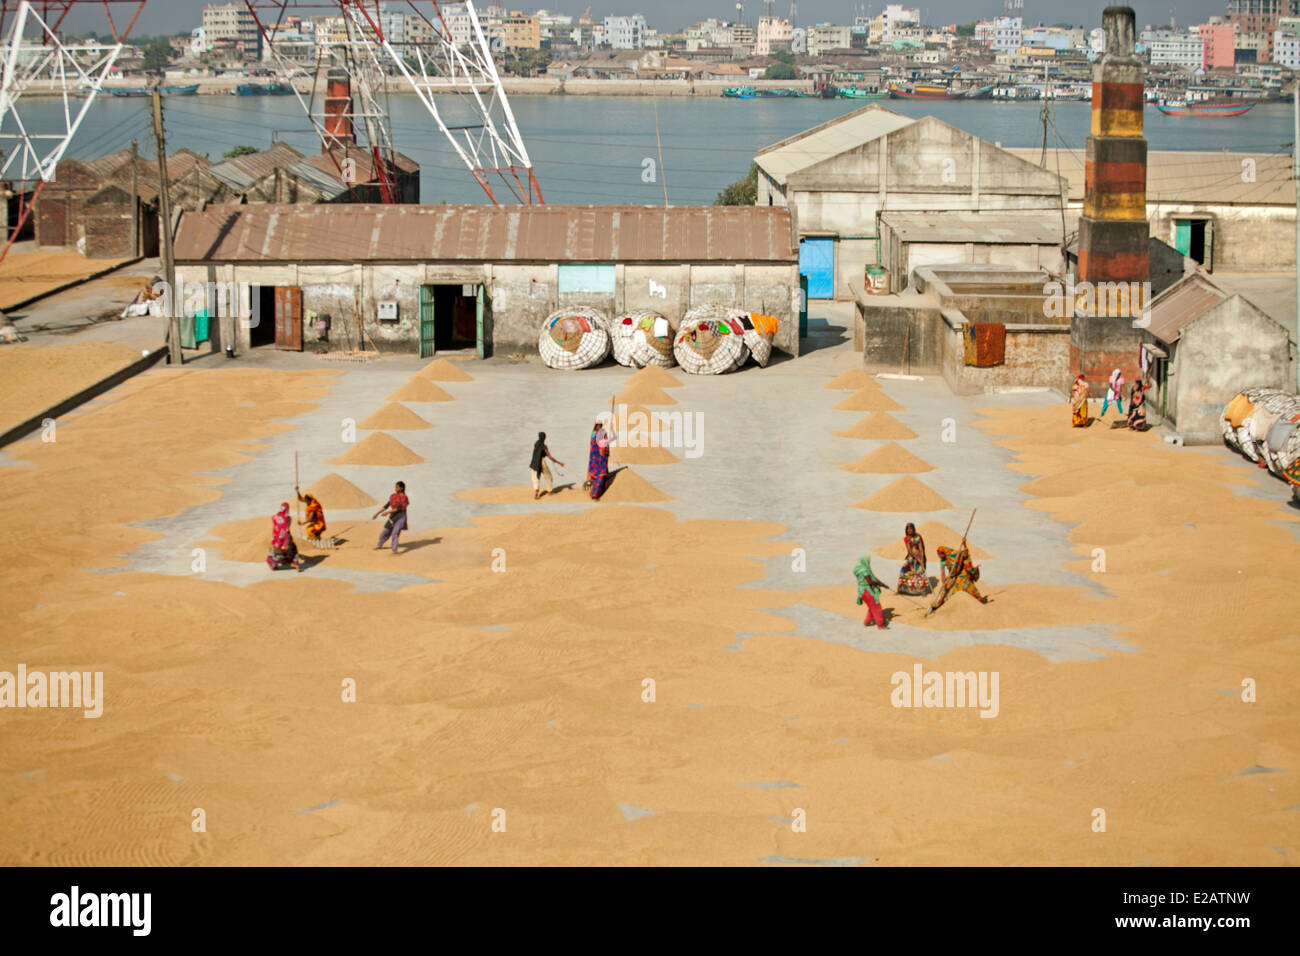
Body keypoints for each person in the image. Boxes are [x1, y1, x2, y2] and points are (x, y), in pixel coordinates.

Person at [929, 542, 989, 612]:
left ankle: (980, 600)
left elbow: (965, 554)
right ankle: (939, 604)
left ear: (943, 553)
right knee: (945, 590)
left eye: (939, 555)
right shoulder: (943, 560)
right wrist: (943, 582)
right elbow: (942, 573)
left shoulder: (954, 554)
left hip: (962, 573)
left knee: (968, 587)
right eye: (938, 555)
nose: (939, 556)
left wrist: (964, 544)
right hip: (953, 576)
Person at [266, 502, 307, 571]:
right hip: (286, 539)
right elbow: (287, 527)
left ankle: (273, 565)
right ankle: (296, 565)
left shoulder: (274, 517)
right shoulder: (288, 518)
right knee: (293, 550)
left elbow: (275, 526)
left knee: (276, 552)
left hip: (277, 539)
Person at [854, 552, 890, 628]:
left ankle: (867, 622)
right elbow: (870, 581)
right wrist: (879, 584)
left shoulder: (860, 568)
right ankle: (880, 625)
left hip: (862, 591)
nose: (869, 561)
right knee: (876, 606)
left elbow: (874, 578)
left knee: (872, 606)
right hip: (866, 591)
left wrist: (883, 585)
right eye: (868, 559)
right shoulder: (864, 570)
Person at [374, 481, 409, 553]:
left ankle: (394, 550)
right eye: (395, 487)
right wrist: (377, 513)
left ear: (401, 488)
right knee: (384, 532)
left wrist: (387, 512)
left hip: (401, 517)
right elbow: (386, 506)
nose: (395, 488)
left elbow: (399, 508)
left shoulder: (404, 498)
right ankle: (379, 545)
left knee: (395, 533)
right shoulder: (393, 496)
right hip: (393, 517)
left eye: (397, 487)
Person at [897, 522, 931, 595]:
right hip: (911, 557)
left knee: (920, 572)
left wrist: (921, 559)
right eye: (908, 529)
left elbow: (921, 549)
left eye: (911, 529)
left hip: (919, 556)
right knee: (904, 570)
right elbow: (909, 550)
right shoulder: (906, 538)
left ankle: (922, 591)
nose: (909, 530)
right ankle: (903, 589)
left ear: (913, 529)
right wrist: (916, 558)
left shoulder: (918, 537)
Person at [529, 431, 565, 499]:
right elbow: (550, 456)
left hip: (534, 463)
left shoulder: (536, 443)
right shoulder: (544, 446)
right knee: (548, 476)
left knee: (535, 478)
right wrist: (559, 463)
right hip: (541, 462)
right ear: (544, 438)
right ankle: (549, 491)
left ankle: (536, 492)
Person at [586, 419, 612, 500]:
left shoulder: (593, 433)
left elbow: (591, 443)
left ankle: (591, 488)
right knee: (601, 474)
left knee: (594, 473)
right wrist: (606, 453)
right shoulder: (602, 432)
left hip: (593, 455)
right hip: (600, 456)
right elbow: (605, 445)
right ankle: (596, 493)